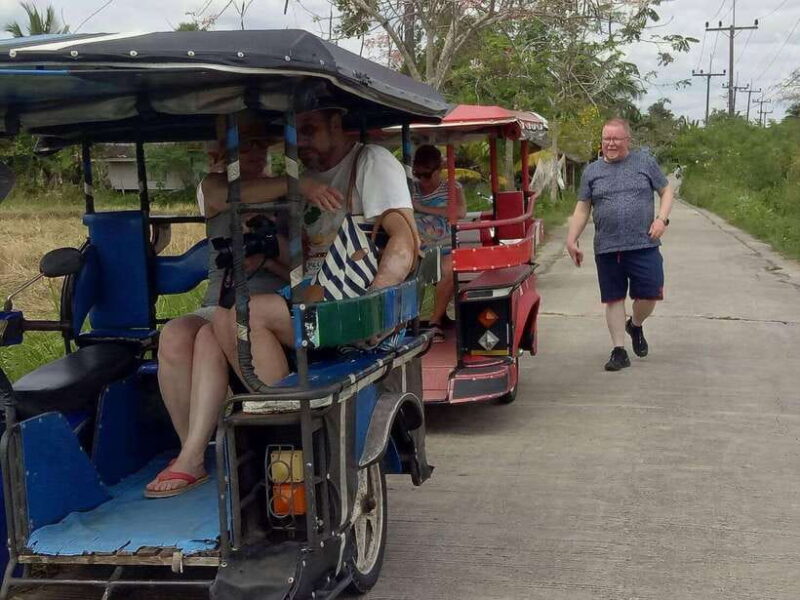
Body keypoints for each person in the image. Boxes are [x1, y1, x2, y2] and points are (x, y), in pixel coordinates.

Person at [146, 114, 341, 498]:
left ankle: (192, 458)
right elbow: (223, 198)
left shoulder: (286, 199)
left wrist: (265, 252)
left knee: (210, 335)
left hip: (271, 301)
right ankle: (191, 446)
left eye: (259, 144)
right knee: (175, 334)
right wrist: (297, 183)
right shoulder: (214, 185)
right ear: (222, 152)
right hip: (220, 299)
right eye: (243, 145)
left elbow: (298, 267)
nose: (253, 152)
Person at [211, 106, 419, 403]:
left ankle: (290, 410)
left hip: (354, 308)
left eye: (308, 130)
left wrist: (377, 298)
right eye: (292, 136)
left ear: (335, 124)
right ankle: (281, 405)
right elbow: (309, 264)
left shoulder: (370, 161)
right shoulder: (307, 180)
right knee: (223, 318)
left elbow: (404, 238)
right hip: (316, 299)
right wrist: (267, 259)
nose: (299, 143)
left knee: (247, 314)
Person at [565, 117, 674, 372]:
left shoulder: (644, 163)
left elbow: (666, 191)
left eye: (616, 139)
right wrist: (571, 238)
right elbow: (582, 208)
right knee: (613, 298)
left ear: (628, 140)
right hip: (607, 247)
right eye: (606, 139)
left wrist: (661, 219)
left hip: (644, 243)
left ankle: (635, 325)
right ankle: (619, 350)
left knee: (650, 294)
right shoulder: (592, 171)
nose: (610, 144)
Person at [411, 145, 466, 342]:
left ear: (439, 170)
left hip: (444, 247)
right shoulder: (410, 188)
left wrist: (421, 208)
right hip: (416, 247)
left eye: (427, 175)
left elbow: (460, 212)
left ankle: (434, 323)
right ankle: (407, 323)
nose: (422, 180)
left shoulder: (452, 188)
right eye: (418, 175)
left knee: (449, 269)